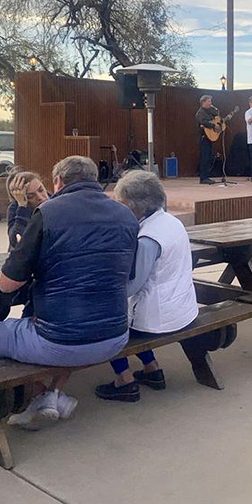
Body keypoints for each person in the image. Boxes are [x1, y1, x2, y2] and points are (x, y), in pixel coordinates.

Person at [0, 155, 138, 429]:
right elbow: (129, 276)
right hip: (115, 337)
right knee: (60, 330)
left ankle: (33, 394)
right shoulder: (126, 215)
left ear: (58, 181)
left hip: (62, 342)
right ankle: (49, 395)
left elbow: (7, 284)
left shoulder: (48, 214)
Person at [95, 170, 199, 402]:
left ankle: (124, 379)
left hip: (161, 318)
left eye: (120, 203)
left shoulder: (148, 238)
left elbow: (131, 286)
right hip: (183, 308)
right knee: (129, 314)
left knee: (105, 322)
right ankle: (151, 368)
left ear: (134, 206)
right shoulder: (171, 222)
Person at [6, 169, 49, 250]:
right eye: (30, 196)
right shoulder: (15, 208)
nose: (40, 197)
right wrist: (22, 207)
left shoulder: (55, 201)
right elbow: (16, 241)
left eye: (41, 190)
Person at [195, 94, 219, 185]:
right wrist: (213, 125)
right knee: (204, 158)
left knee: (209, 157)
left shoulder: (209, 112)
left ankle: (207, 176)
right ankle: (203, 178)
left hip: (209, 137)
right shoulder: (200, 113)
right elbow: (204, 122)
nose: (210, 103)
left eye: (210, 101)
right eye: (208, 101)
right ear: (203, 102)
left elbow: (214, 118)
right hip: (203, 137)